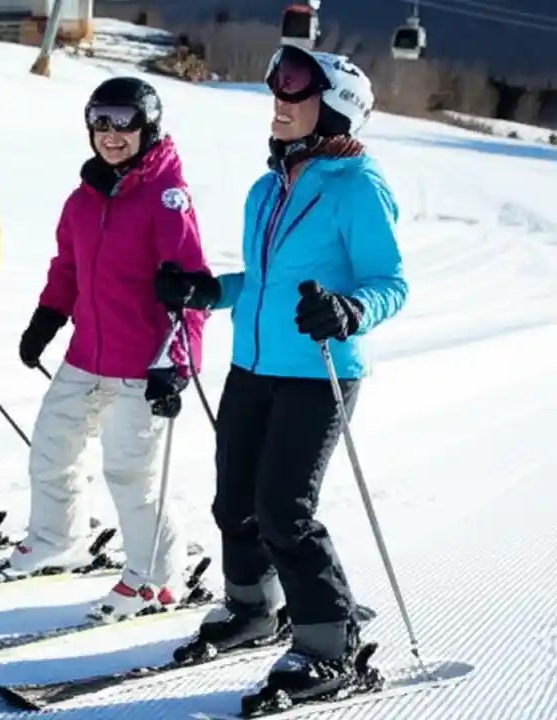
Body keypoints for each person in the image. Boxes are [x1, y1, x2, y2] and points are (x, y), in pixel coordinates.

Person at [154, 46, 407, 701]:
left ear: (335, 108)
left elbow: (390, 282)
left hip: (319, 371)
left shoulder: (357, 186)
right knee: (233, 501)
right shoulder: (266, 188)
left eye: (295, 93)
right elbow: (264, 282)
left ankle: (330, 646)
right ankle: (252, 610)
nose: (280, 103)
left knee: (284, 512)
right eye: (278, 91)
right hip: (252, 365)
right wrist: (210, 291)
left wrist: (352, 309)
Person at [0, 77, 211, 622]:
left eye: (124, 122)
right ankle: (56, 538)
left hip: (145, 363)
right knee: (51, 444)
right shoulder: (83, 198)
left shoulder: (167, 198)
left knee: (131, 474)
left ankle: (156, 578)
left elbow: (192, 288)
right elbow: (66, 268)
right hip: (85, 353)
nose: (112, 134)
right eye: (101, 121)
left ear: (148, 126)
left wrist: (179, 364)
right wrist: (46, 319)